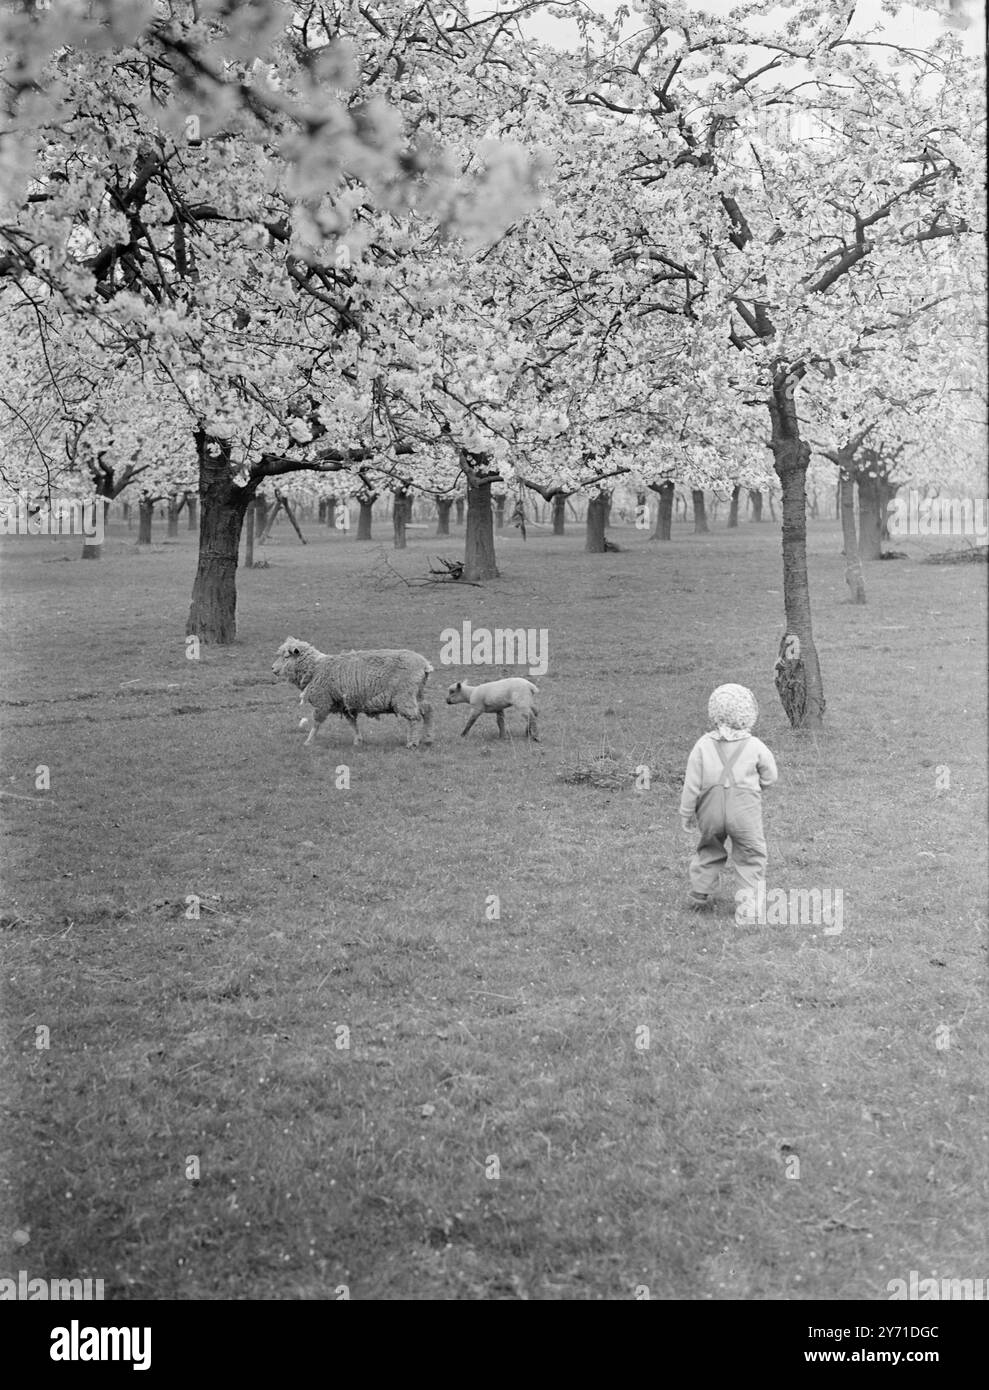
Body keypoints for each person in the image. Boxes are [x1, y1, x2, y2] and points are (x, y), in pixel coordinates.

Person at [679, 684, 778, 911]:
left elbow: (691, 784)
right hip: (744, 811)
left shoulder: (702, 745)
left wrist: (686, 813)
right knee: (751, 854)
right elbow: (771, 776)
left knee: (709, 847)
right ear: (749, 713)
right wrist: (759, 785)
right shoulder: (755, 746)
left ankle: (700, 892)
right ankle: (750, 904)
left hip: (710, 810)